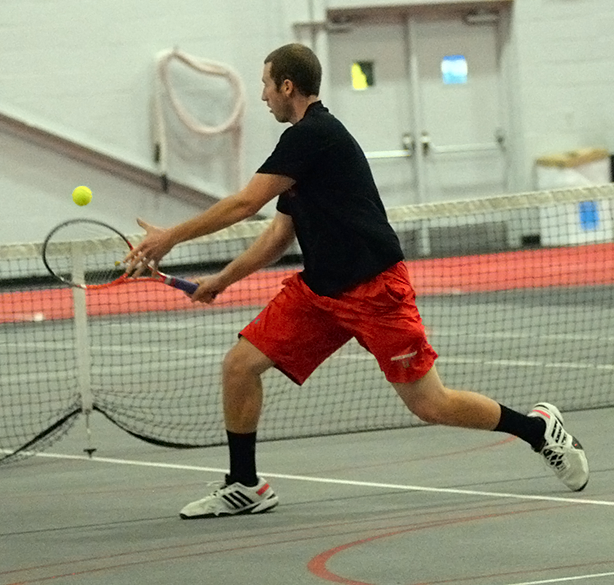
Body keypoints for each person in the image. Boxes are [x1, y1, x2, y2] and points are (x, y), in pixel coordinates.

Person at [125, 43, 589, 519]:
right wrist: (220, 281)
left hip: (374, 289)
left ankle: (538, 430)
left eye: (266, 84)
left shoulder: (313, 135)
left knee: (431, 404)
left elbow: (245, 204)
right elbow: (277, 237)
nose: (263, 95)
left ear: (288, 86)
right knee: (239, 367)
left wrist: (170, 239)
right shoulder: (299, 148)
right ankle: (245, 485)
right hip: (320, 292)